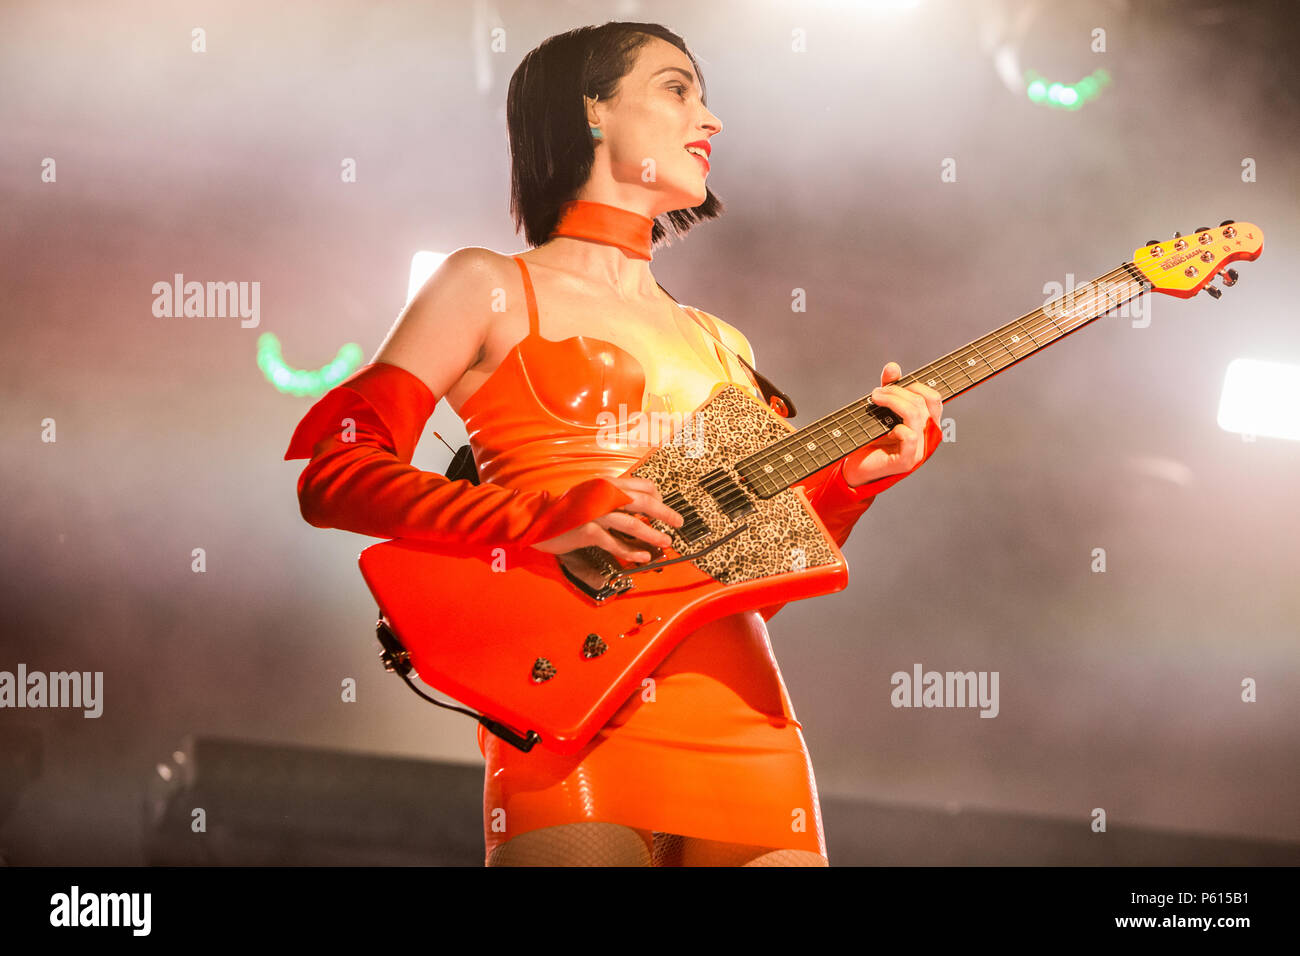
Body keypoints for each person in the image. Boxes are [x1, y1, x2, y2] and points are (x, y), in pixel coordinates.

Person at [284, 21, 943, 867]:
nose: (710, 120)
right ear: (592, 109)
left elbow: (744, 584)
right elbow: (332, 475)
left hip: (747, 716)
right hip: (572, 709)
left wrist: (852, 486)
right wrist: (539, 517)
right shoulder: (486, 285)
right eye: (677, 89)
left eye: (703, 96)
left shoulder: (722, 342)